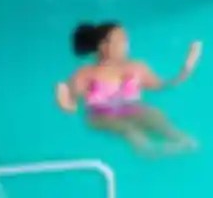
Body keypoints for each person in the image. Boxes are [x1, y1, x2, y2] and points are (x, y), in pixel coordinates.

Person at [55, 23, 200, 156]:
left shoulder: (137, 68)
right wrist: (63, 99)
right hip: (103, 116)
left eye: (126, 40)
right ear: (103, 46)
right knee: (129, 130)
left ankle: (183, 143)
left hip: (134, 110)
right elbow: (72, 104)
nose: (125, 45)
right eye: (120, 40)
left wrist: (186, 68)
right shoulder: (86, 73)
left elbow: (164, 85)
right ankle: (152, 151)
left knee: (156, 116)